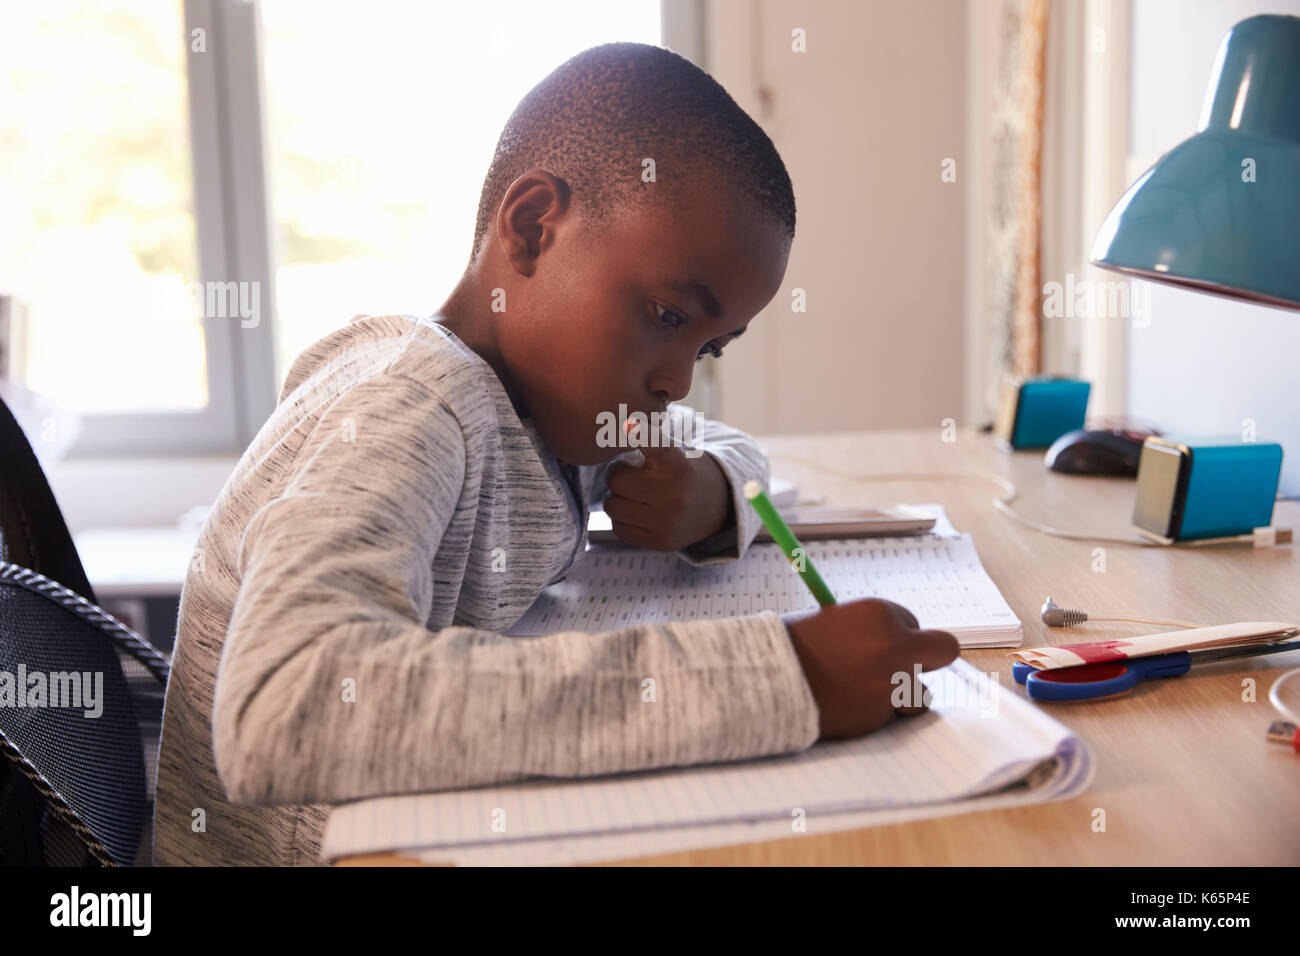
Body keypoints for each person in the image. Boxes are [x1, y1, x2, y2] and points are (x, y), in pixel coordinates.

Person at [153, 41, 957, 866]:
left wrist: (712, 493)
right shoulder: (412, 408)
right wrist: (783, 678)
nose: (677, 382)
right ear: (534, 229)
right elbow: (290, 702)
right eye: (669, 315)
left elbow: (728, 445)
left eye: (710, 349)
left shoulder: (555, 406)